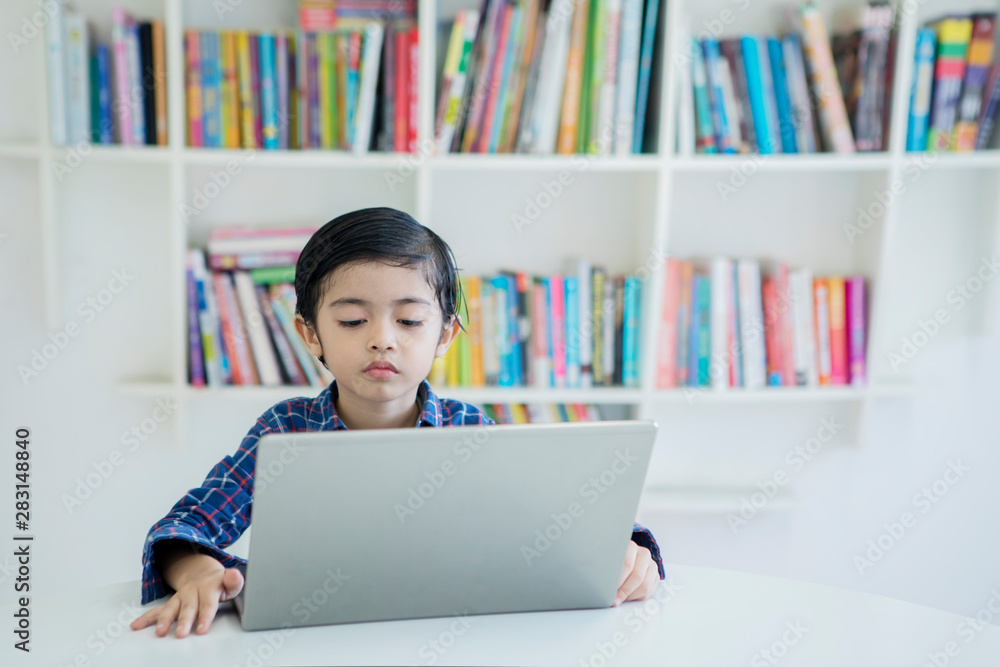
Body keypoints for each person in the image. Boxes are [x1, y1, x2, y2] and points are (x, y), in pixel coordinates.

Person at [130, 207, 665, 639]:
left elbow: (564, 527)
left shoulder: (471, 431)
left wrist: (627, 550)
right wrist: (196, 570)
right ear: (310, 333)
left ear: (444, 337)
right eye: (352, 320)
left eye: (409, 320)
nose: (382, 338)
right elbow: (180, 530)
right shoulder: (284, 431)